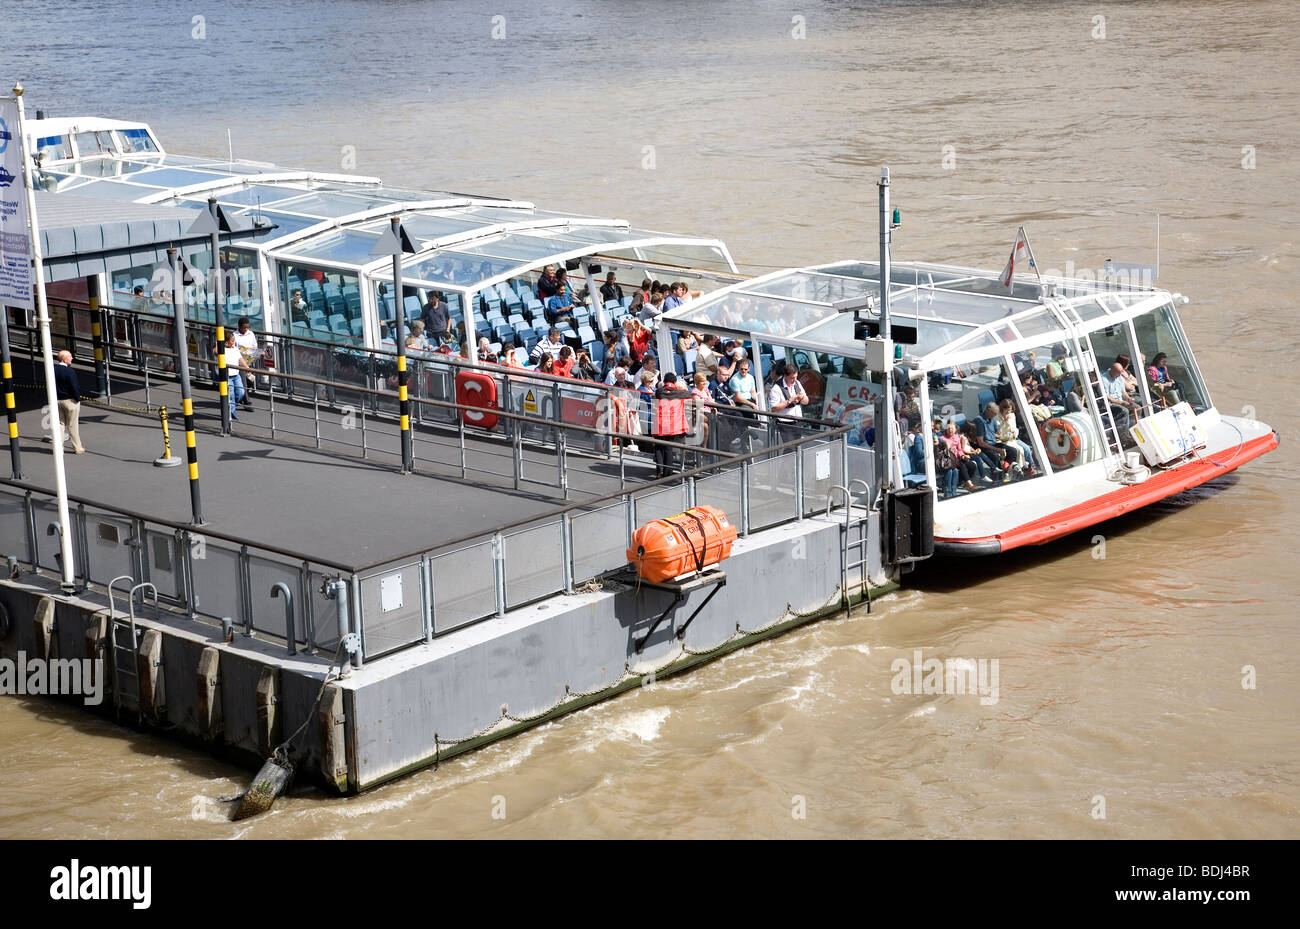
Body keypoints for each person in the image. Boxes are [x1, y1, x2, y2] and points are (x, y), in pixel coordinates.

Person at [651, 372, 693, 478]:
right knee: (668, 448)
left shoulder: (659, 392)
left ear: (664, 382)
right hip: (673, 426)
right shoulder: (679, 393)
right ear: (674, 382)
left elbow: (656, 395)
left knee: (658, 447)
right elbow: (690, 395)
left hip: (659, 424)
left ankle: (659, 471)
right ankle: (667, 473)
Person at [52, 351, 86, 454]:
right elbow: (74, 387)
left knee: (60, 424)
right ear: (64, 359)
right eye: (70, 357)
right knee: (72, 425)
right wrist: (78, 398)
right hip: (70, 401)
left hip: (57, 400)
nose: (72, 359)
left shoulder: (53, 369)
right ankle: (77, 447)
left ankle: (58, 448)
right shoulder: (70, 372)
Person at [768, 363, 809, 442]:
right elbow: (774, 409)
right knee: (790, 447)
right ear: (785, 376)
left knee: (797, 446)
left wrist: (802, 397)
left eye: (796, 377)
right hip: (785, 423)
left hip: (798, 421)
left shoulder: (797, 383)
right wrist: (790, 400)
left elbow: (806, 401)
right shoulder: (776, 388)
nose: (794, 380)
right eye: (792, 378)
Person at [996, 398, 1037, 476]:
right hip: (1003, 439)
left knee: (1027, 449)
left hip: (1013, 438)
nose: (1009, 412)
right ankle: (1018, 469)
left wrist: (1015, 432)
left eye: (1010, 410)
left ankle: (1031, 467)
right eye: (1007, 410)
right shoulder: (997, 417)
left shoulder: (1012, 415)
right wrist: (1005, 421)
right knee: (1019, 450)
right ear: (1002, 409)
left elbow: (1015, 427)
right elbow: (999, 431)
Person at [971, 402, 1011, 481]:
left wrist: (1003, 436)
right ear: (988, 411)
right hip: (984, 445)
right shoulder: (979, 420)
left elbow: (995, 433)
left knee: (1012, 451)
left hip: (993, 442)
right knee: (995, 456)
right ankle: (997, 480)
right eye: (994, 414)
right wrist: (997, 449)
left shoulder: (992, 419)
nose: (995, 416)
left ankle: (1007, 473)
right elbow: (981, 442)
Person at [222, 333, 252, 419]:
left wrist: (246, 367)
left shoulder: (235, 349)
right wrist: (219, 342)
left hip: (236, 374)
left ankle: (231, 405)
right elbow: (215, 351)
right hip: (227, 376)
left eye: (234, 340)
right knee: (231, 395)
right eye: (232, 340)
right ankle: (232, 415)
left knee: (241, 392)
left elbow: (240, 359)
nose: (234, 342)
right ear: (226, 342)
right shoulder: (222, 350)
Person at [1100, 363, 1135, 431]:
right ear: (1113, 371)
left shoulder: (1119, 377)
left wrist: (1128, 398)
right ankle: (1123, 433)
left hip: (1120, 400)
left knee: (1136, 407)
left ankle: (1133, 430)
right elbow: (1106, 397)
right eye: (1118, 373)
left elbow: (1123, 391)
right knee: (1124, 411)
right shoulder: (1104, 379)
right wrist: (1120, 402)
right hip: (1111, 403)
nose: (1119, 375)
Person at [233, 316, 260, 395]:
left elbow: (254, 346)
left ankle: (243, 396)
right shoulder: (234, 335)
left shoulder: (250, 333)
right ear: (239, 326)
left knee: (249, 381)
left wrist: (255, 352)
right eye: (244, 328)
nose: (245, 330)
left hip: (249, 360)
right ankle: (244, 398)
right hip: (240, 361)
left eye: (247, 328)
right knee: (243, 381)